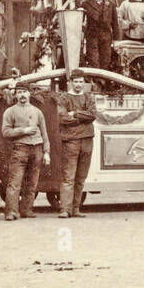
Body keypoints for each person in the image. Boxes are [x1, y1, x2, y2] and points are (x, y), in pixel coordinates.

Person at [1, 85, 50, 220]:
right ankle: (11, 212)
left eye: (24, 92)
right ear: (15, 95)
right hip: (20, 149)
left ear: (29, 94)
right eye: (19, 92)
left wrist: (46, 152)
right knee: (15, 183)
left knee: (32, 182)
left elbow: (45, 133)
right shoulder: (10, 112)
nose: (22, 95)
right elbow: (5, 132)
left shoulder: (37, 112)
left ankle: (27, 209)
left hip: (37, 149)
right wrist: (23, 131)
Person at [55, 74, 96, 218]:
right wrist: (81, 117)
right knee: (68, 176)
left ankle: (76, 208)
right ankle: (65, 209)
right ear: (70, 82)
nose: (78, 84)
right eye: (76, 82)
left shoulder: (89, 98)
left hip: (87, 140)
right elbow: (62, 118)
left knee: (81, 177)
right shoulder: (63, 98)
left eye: (81, 82)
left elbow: (92, 115)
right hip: (71, 141)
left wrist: (75, 114)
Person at [80, 0, 120, 73]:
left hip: (106, 36)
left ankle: (103, 84)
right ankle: (97, 82)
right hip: (92, 36)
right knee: (93, 60)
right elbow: (80, 20)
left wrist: (116, 40)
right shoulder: (86, 4)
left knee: (105, 60)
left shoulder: (111, 4)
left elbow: (115, 23)